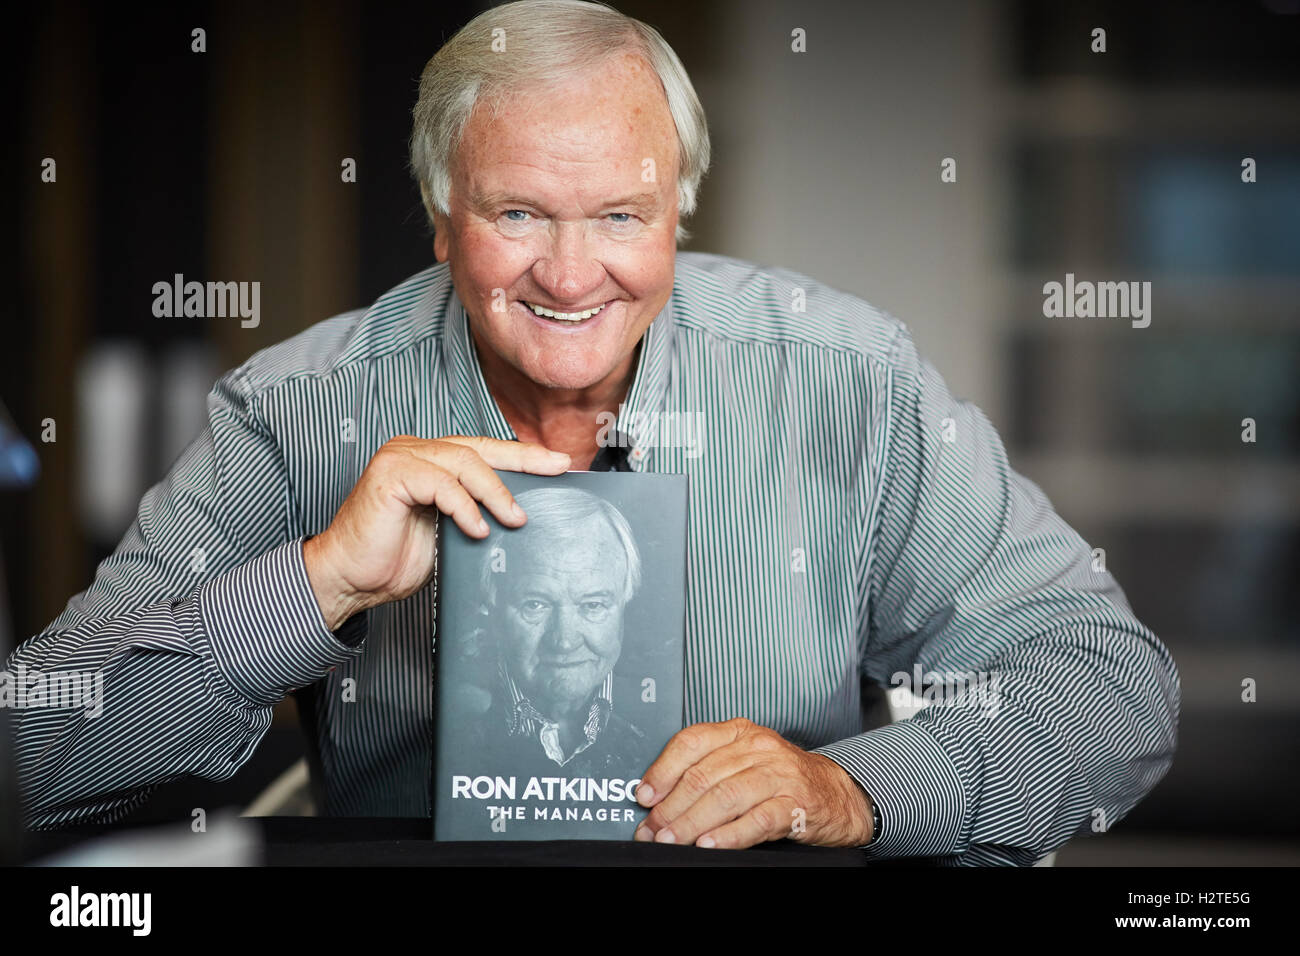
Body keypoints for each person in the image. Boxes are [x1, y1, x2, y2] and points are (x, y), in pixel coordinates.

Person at [8, 0, 1178, 863]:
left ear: (678, 210)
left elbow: (1110, 687)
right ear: (440, 217)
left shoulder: (846, 380)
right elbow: (28, 753)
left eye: (620, 214)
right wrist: (310, 585)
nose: (571, 275)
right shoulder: (291, 406)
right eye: (516, 212)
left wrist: (844, 789)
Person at [454, 486, 655, 775]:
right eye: (535, 604)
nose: (564, 641)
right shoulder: (457, 727)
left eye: (593, 605)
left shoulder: (659, 728)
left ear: (625, 603)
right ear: (493, 607)